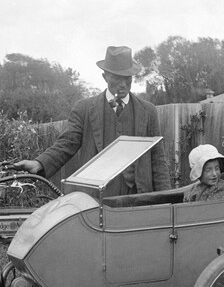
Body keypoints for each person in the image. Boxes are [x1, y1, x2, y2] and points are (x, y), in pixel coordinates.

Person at [13, 45, 171, 196]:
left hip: (138, 199)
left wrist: (166, 199)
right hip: (97, 199)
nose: (123, 84)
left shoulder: (148, 111)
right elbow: (66, 145)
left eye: (127, 78)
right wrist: (39, 163)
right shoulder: (85, 109)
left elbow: (158, 160)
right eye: (117, 77)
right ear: (105, 77)